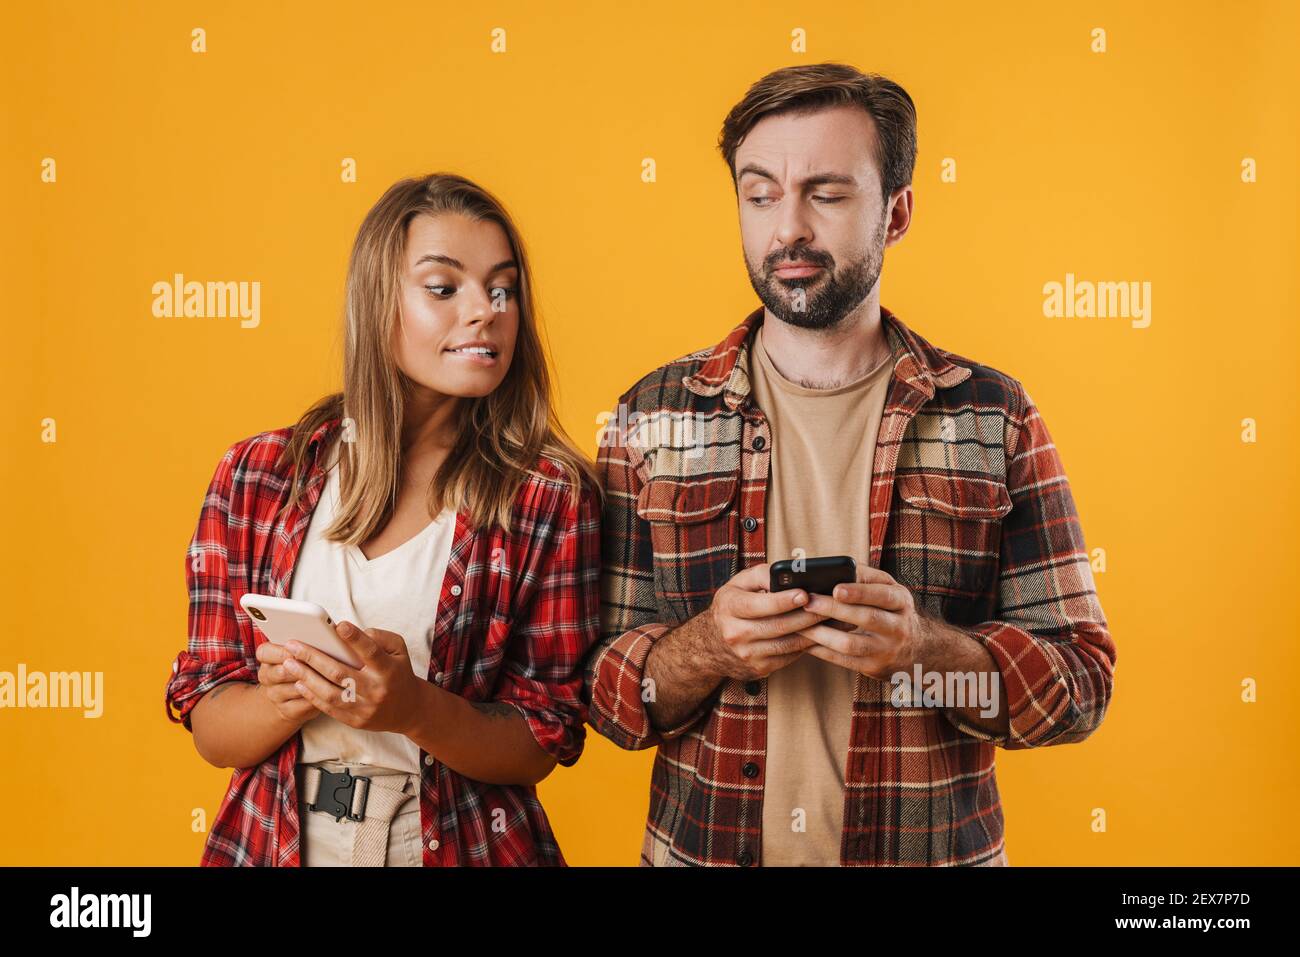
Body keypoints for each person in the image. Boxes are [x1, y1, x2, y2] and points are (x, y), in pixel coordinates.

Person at [584, 62, 1117, 866]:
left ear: (897, 213)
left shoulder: (994, 415)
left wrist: (928, 651)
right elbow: (603, 695)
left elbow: (1081, 685)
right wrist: (709, 648)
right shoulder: (649, 416)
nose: (787, 228)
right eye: (760, 194)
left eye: (826, 195)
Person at [165, 172, 601, 866]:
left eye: (502, 287)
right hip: (278, 842)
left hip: (456, 843)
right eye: (443, 287)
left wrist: (413, 708)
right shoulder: (257, 475)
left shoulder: (547, 495)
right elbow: (211, 725)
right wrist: (288, 694)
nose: (485, 311)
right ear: (377, 301)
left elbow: (541, 739)